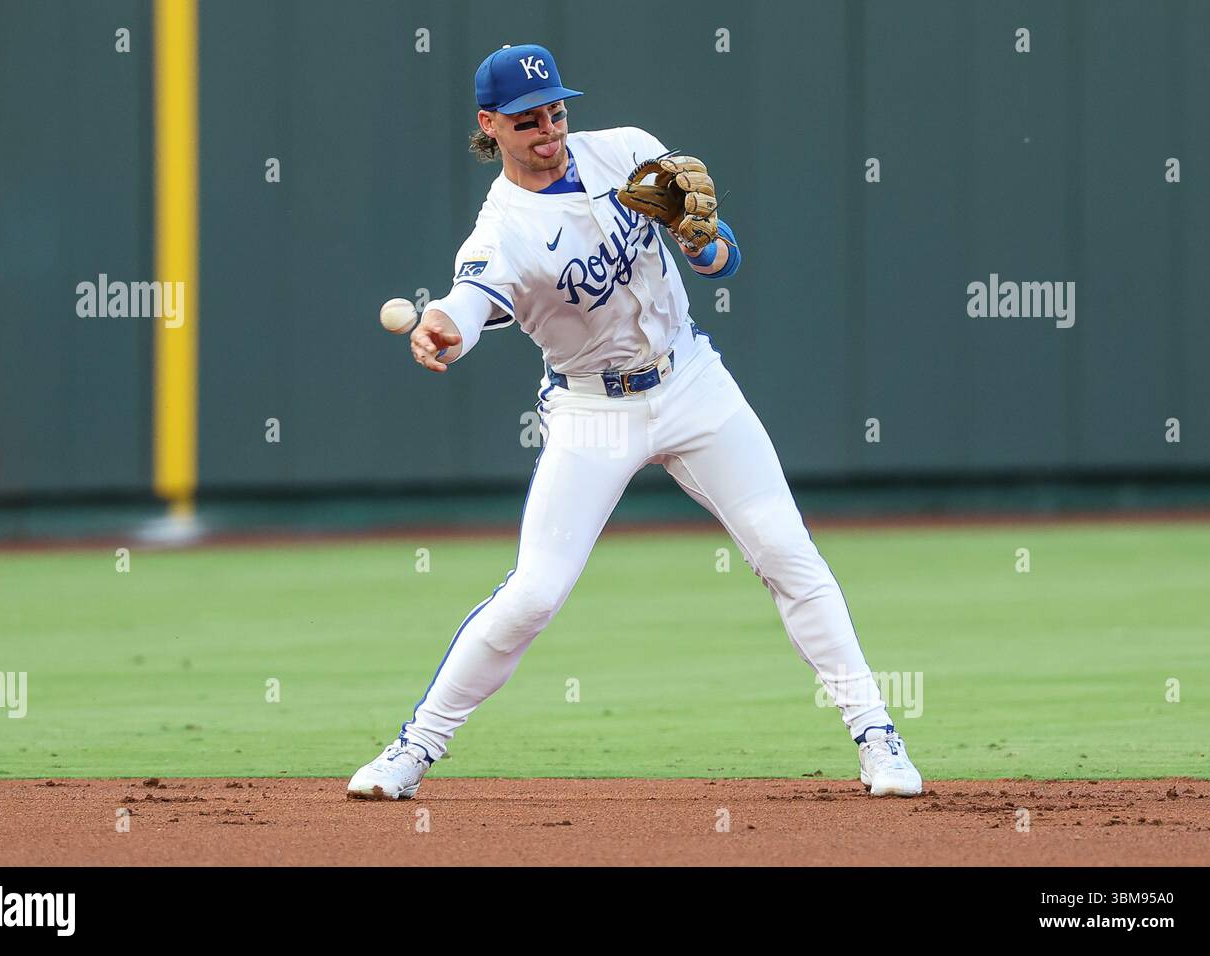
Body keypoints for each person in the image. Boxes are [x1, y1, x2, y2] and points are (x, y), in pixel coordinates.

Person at [347, 43, 922, 800]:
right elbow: (468, 299)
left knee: (787, 552)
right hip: (592, 410)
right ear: (490, 126)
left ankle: (878, 737)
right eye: (527, 121)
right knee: (535, 594)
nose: (548, 129)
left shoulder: (628, 151)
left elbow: (723, 261)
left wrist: (701, 241)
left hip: (692, 384)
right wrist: (443, 328)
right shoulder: (503, 230)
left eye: (555, 110)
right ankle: (411, 751)